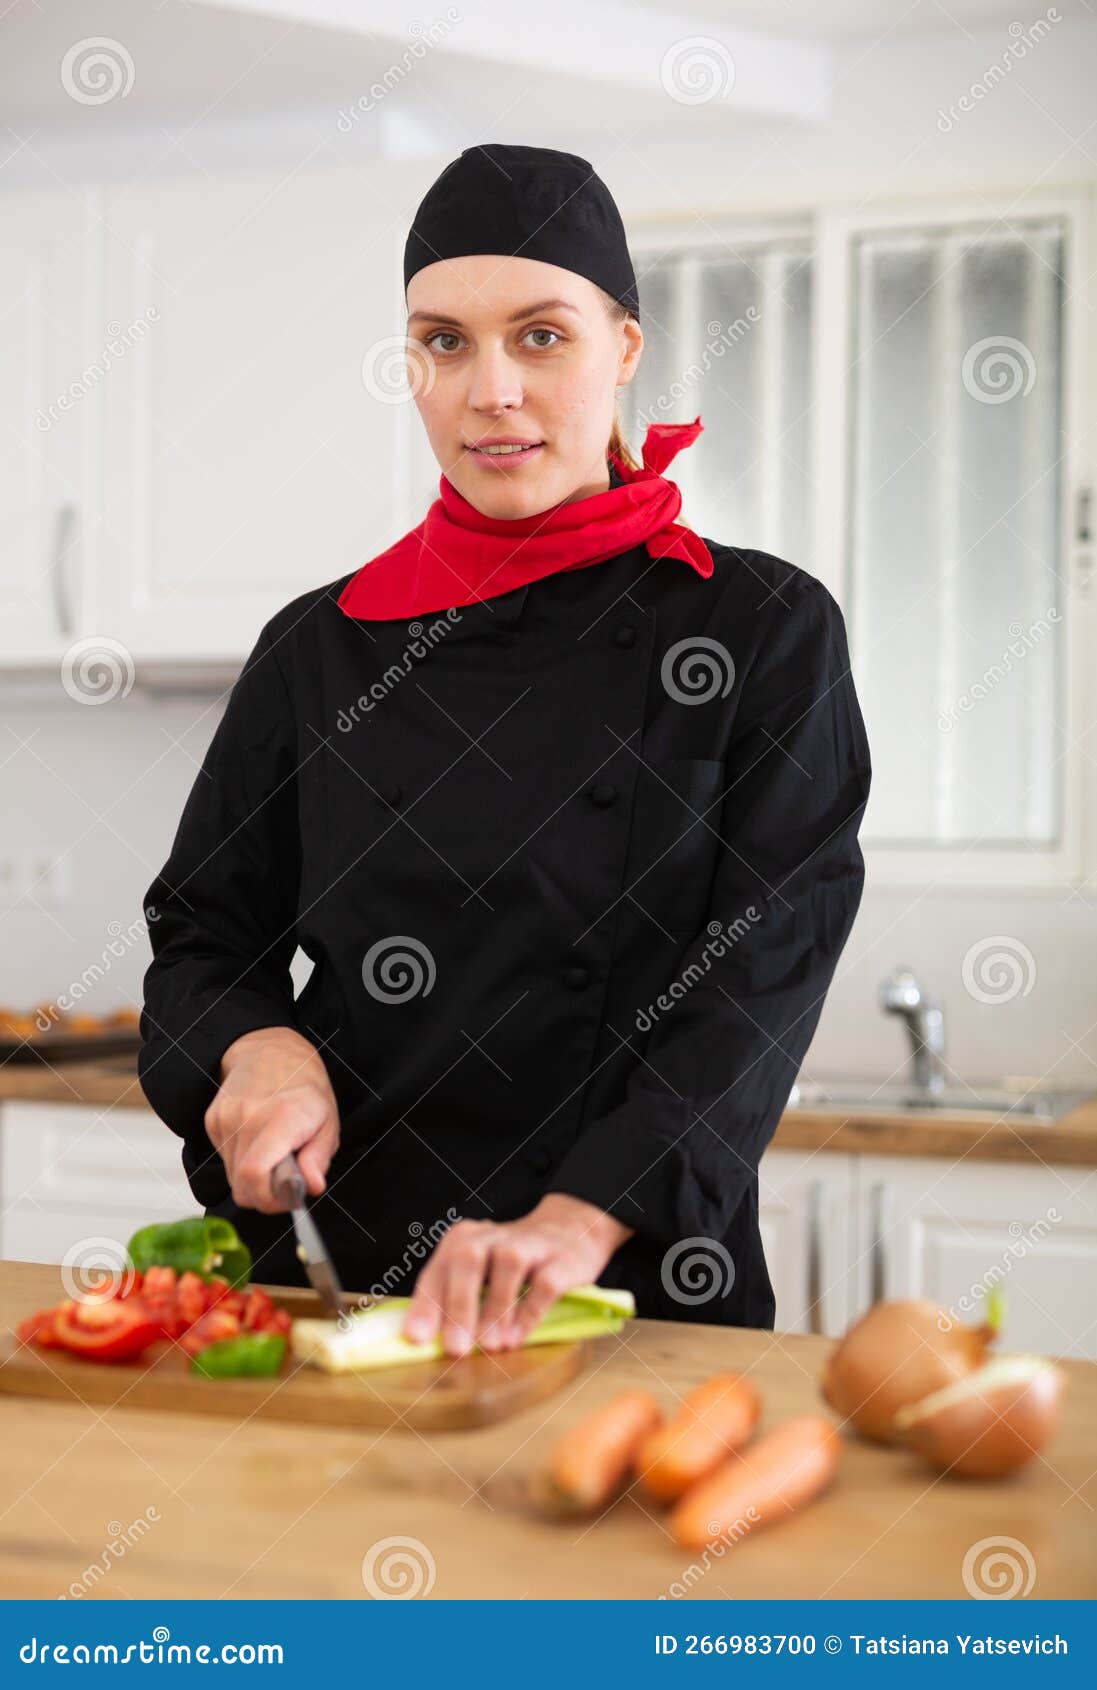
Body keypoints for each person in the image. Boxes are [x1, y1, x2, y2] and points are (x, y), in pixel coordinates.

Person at [138, 142, 872, 1358]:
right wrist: (257, 1048)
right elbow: (205, 938)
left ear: (623, 349)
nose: (490, 390)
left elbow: (761, 978)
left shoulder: (758, 629)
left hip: (630, 1279)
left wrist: (577, 1222)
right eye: (442, 341)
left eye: (540, 336)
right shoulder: (320, 646)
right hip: (345, 1280)